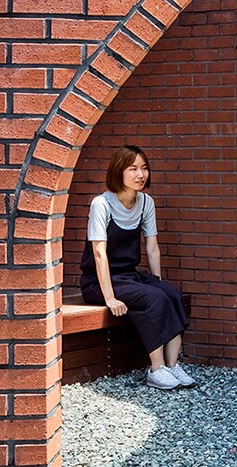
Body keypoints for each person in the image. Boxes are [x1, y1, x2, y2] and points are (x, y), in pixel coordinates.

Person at [80, 146, 194, 390]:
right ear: (118, 172)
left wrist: (157, 281)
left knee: (171, 295)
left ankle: (172, 366)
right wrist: (109, 297)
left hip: (129, 276)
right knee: (154, 299)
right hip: (99, 282)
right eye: (133, 169)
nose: (140, 174)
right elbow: (99, 253)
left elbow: (152, 248)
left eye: (144, 168)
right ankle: (156, 369)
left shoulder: (145, 203)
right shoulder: (101, 204)